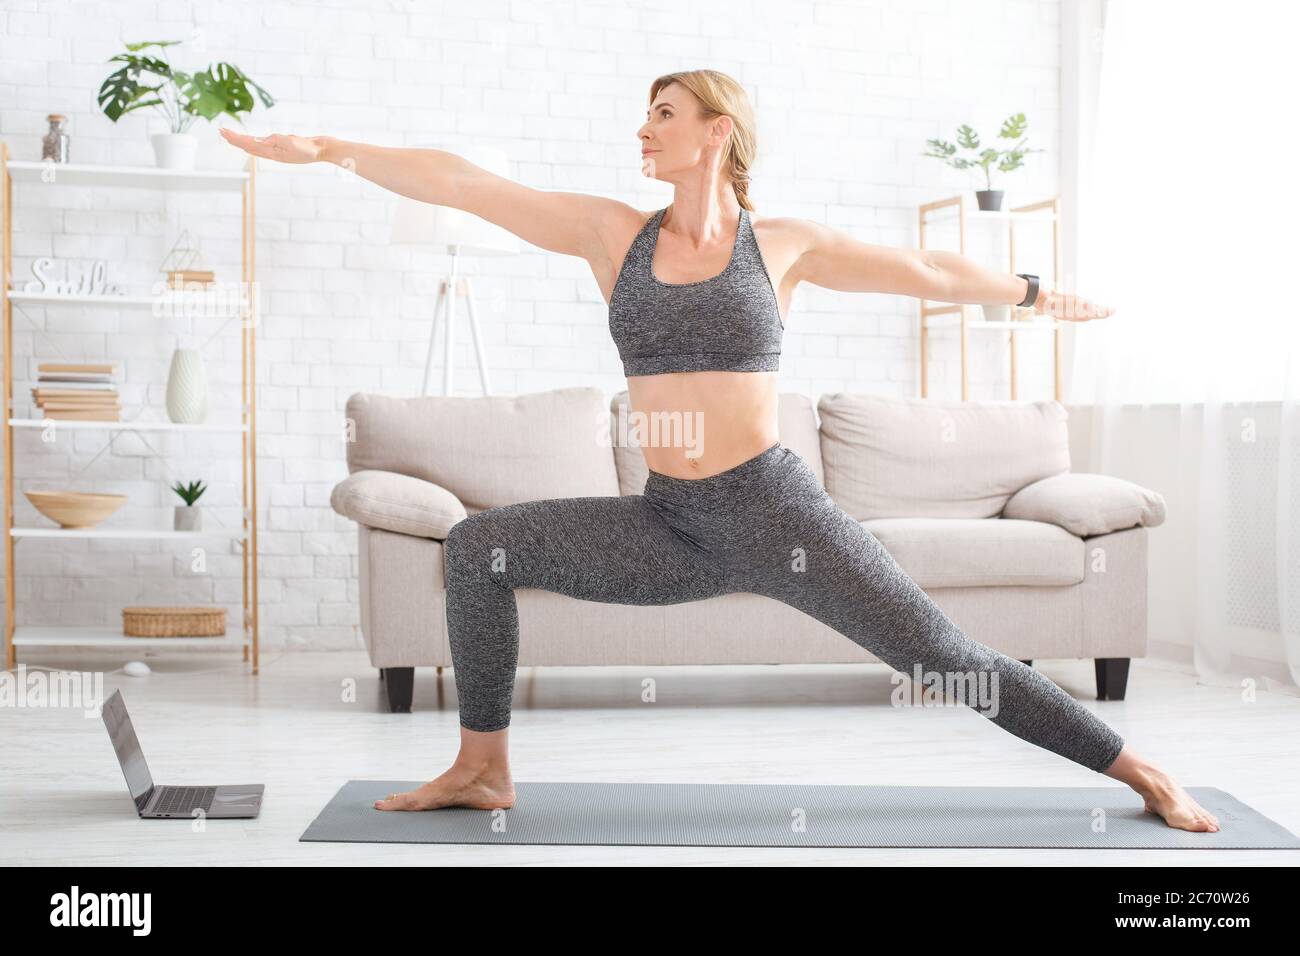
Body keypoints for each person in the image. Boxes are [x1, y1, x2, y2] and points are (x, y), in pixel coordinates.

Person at [220, 69, 1218, 833]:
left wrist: (1037, 295)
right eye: (644, 112)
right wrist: (330, 149)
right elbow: (463, 183)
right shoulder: (613, 235)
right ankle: (483, 761)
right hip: (669, 522)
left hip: (781, 515)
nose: (644, 127)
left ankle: (1136, 768)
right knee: (478, 545)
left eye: (665, 111)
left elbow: (922, 266)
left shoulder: (780, 245)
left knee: (945, 656)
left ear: (716, 130)